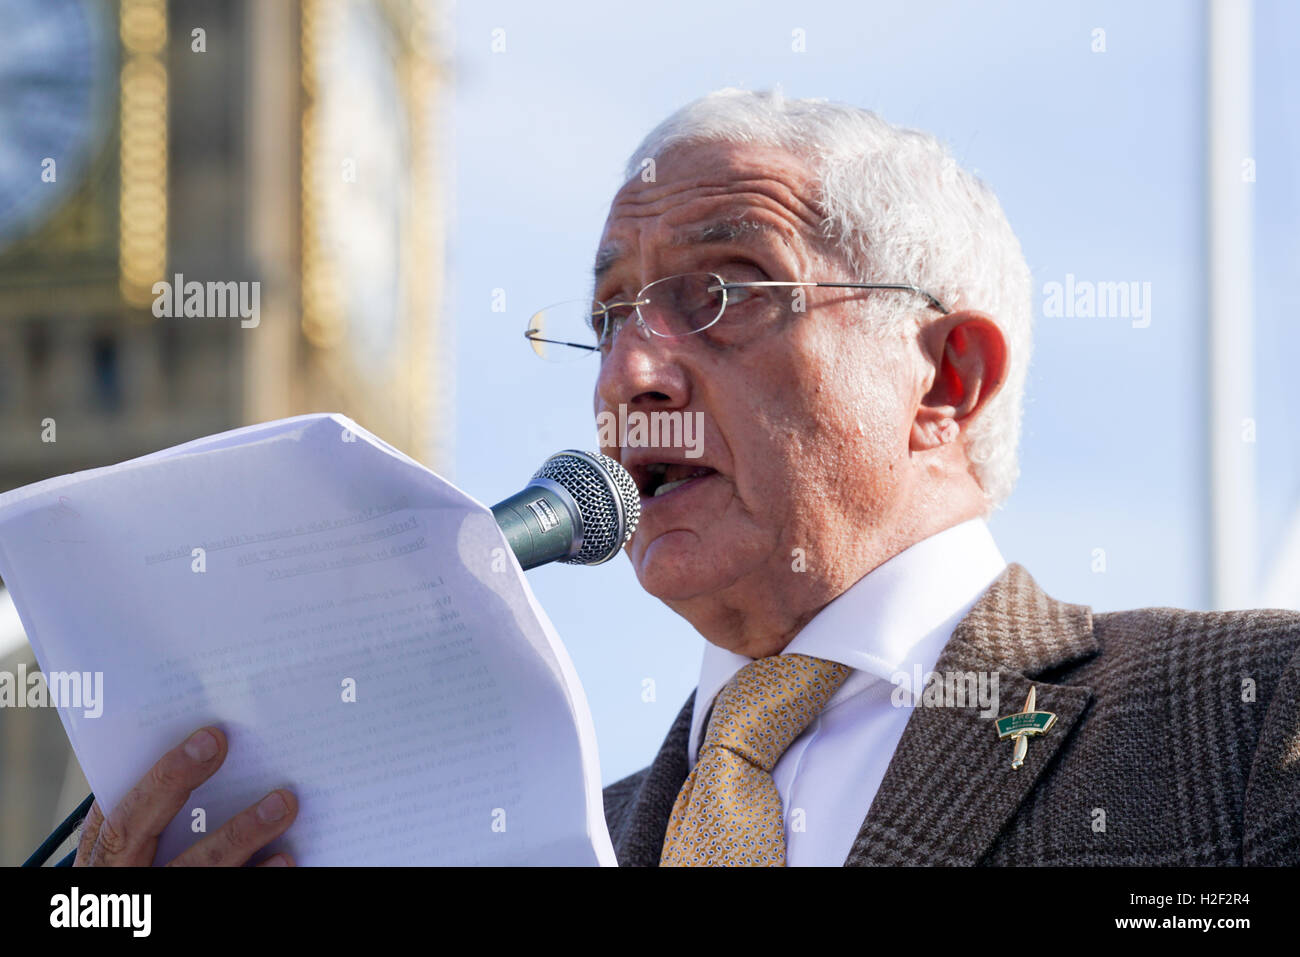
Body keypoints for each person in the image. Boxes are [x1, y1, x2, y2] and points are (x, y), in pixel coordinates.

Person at [75, 88, 1300, 867]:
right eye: (607, 317)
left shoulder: (1245, 716)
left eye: (718, 292)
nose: (634, 373)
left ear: (947, 380)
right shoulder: (554, 845)